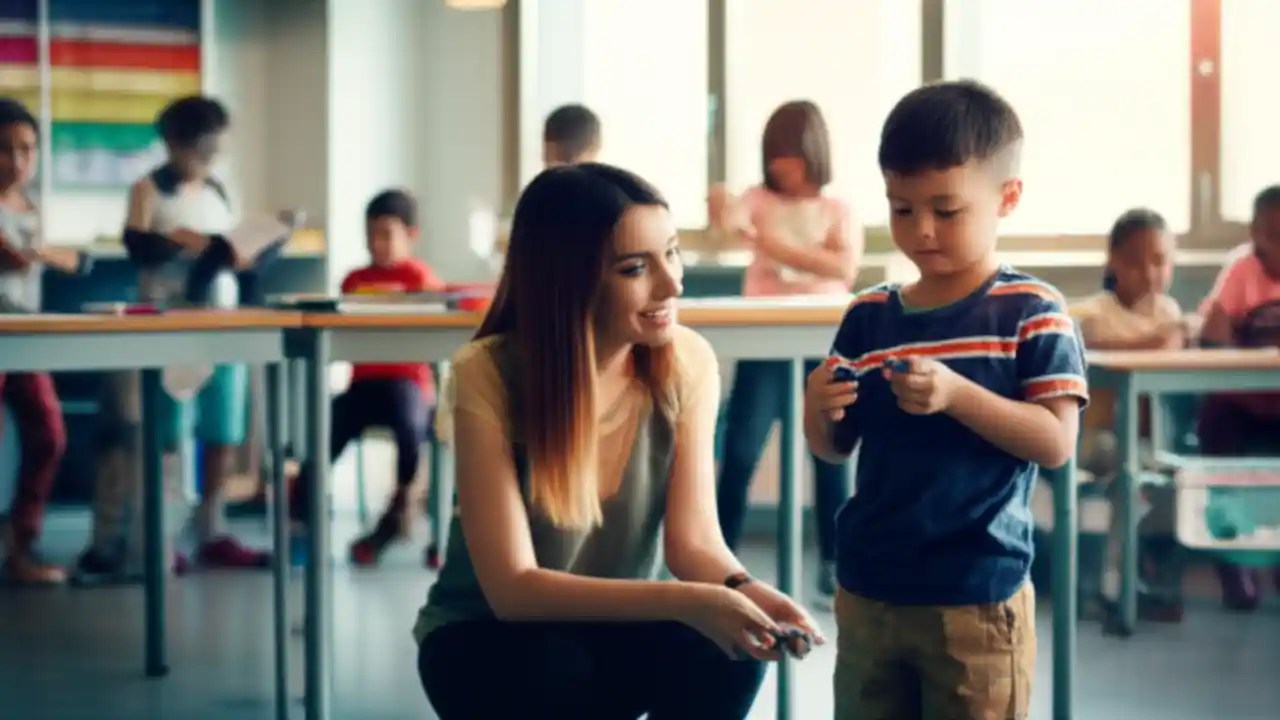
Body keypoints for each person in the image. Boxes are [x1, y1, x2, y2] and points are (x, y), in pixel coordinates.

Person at [414, 163, 821, 719]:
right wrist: (694, 600)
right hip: (484, 636)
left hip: (614, 626)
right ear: (570, 279)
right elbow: (514, 591)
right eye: (636, 268)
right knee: (554, 670)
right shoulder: (486, 373)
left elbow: (694, 541)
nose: (672, 283)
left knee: (727, 652)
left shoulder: (687, 361)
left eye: (671, 253)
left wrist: (744, 589)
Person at [805, 80, 1088, 719]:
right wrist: (815, 410)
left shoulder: (1033, 313)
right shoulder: (869, 315)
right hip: (871, 590)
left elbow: (1055, 442)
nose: (922, 231)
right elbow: (833, 449)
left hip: (976, 598)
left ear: (1006, 198)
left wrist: (958, 394)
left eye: (946, 209)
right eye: (902, 209)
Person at [76, 95, 280, 579]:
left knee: (223, 428)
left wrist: (243, 255)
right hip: (170, 321)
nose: (210, 159)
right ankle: (160, 533)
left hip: (222, 319)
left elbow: (231, 249)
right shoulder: (148, 189)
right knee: (168, 432)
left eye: (217, 150)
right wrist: (181, 243)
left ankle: (211, 525)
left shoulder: (219, 190)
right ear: (174, 143)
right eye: (203, 148)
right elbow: (138, 246)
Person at [710, 100, 862, 598]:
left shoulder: (838, 210)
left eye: (789, 155)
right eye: (773, 156)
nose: (780, 167)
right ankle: (719, 560)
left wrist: (772, 247)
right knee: (740, 449)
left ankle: (836, 565)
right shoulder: (757, 197)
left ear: (811, 154)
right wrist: (722, 206)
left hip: (825, 338)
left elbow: (844, 270)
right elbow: (728, 225)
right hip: (765, 335)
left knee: (831, 454)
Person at [290, 189, 444, 565]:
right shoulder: (355, 279)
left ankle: (399, 510)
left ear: (411, 234)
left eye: (388, 235)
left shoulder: (420, 278)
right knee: (325, 427)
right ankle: (300, 522)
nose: (379, 244)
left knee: (411, 426)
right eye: (372, 235)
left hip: (406, 382)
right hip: (364, 384)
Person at [1074, 208, 1186, 628]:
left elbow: (1174, 350)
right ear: (1113, 262)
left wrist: (1168, 339)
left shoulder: (1168, 311)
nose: (1150, 273)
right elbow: (1086, 345)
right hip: (1092, 441)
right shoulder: (1093, 312)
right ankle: (1114, 584)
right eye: (1137, 261)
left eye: (1160, 261)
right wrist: (1156, 343)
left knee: (1160, 474)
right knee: (1131, 471)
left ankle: (1140, 578)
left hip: (1147, 444)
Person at [0, 97, 92, 584]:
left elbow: (46, 261)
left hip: (27, 336)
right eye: (4, 149)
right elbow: (18, 259)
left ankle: (21, 547)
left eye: (26, 149)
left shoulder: (32, 207)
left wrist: (44, 254)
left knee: (48, 437)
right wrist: (47, 255)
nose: (16, 161)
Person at [1196, 184, 1280, 612]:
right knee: (1216, 425)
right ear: (1254, 234)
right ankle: (1232, 565)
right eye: (1273, 236)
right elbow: (1212, 336)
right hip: (1244, 400)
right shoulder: (1241, 271)